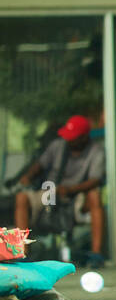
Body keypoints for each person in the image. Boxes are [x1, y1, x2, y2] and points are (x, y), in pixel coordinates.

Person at [11, 114, 106, 266]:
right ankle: (23, 254)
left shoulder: (96, 151)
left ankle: (96, 254)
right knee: (22, 198)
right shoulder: (57, 145)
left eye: (73, 137)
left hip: (77, 194)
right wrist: (28, 176)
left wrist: (70, 189)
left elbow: (96, 179)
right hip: (50, 191)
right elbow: (40, 165)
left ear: (84, 137)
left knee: (95, 196)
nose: (69, 140)